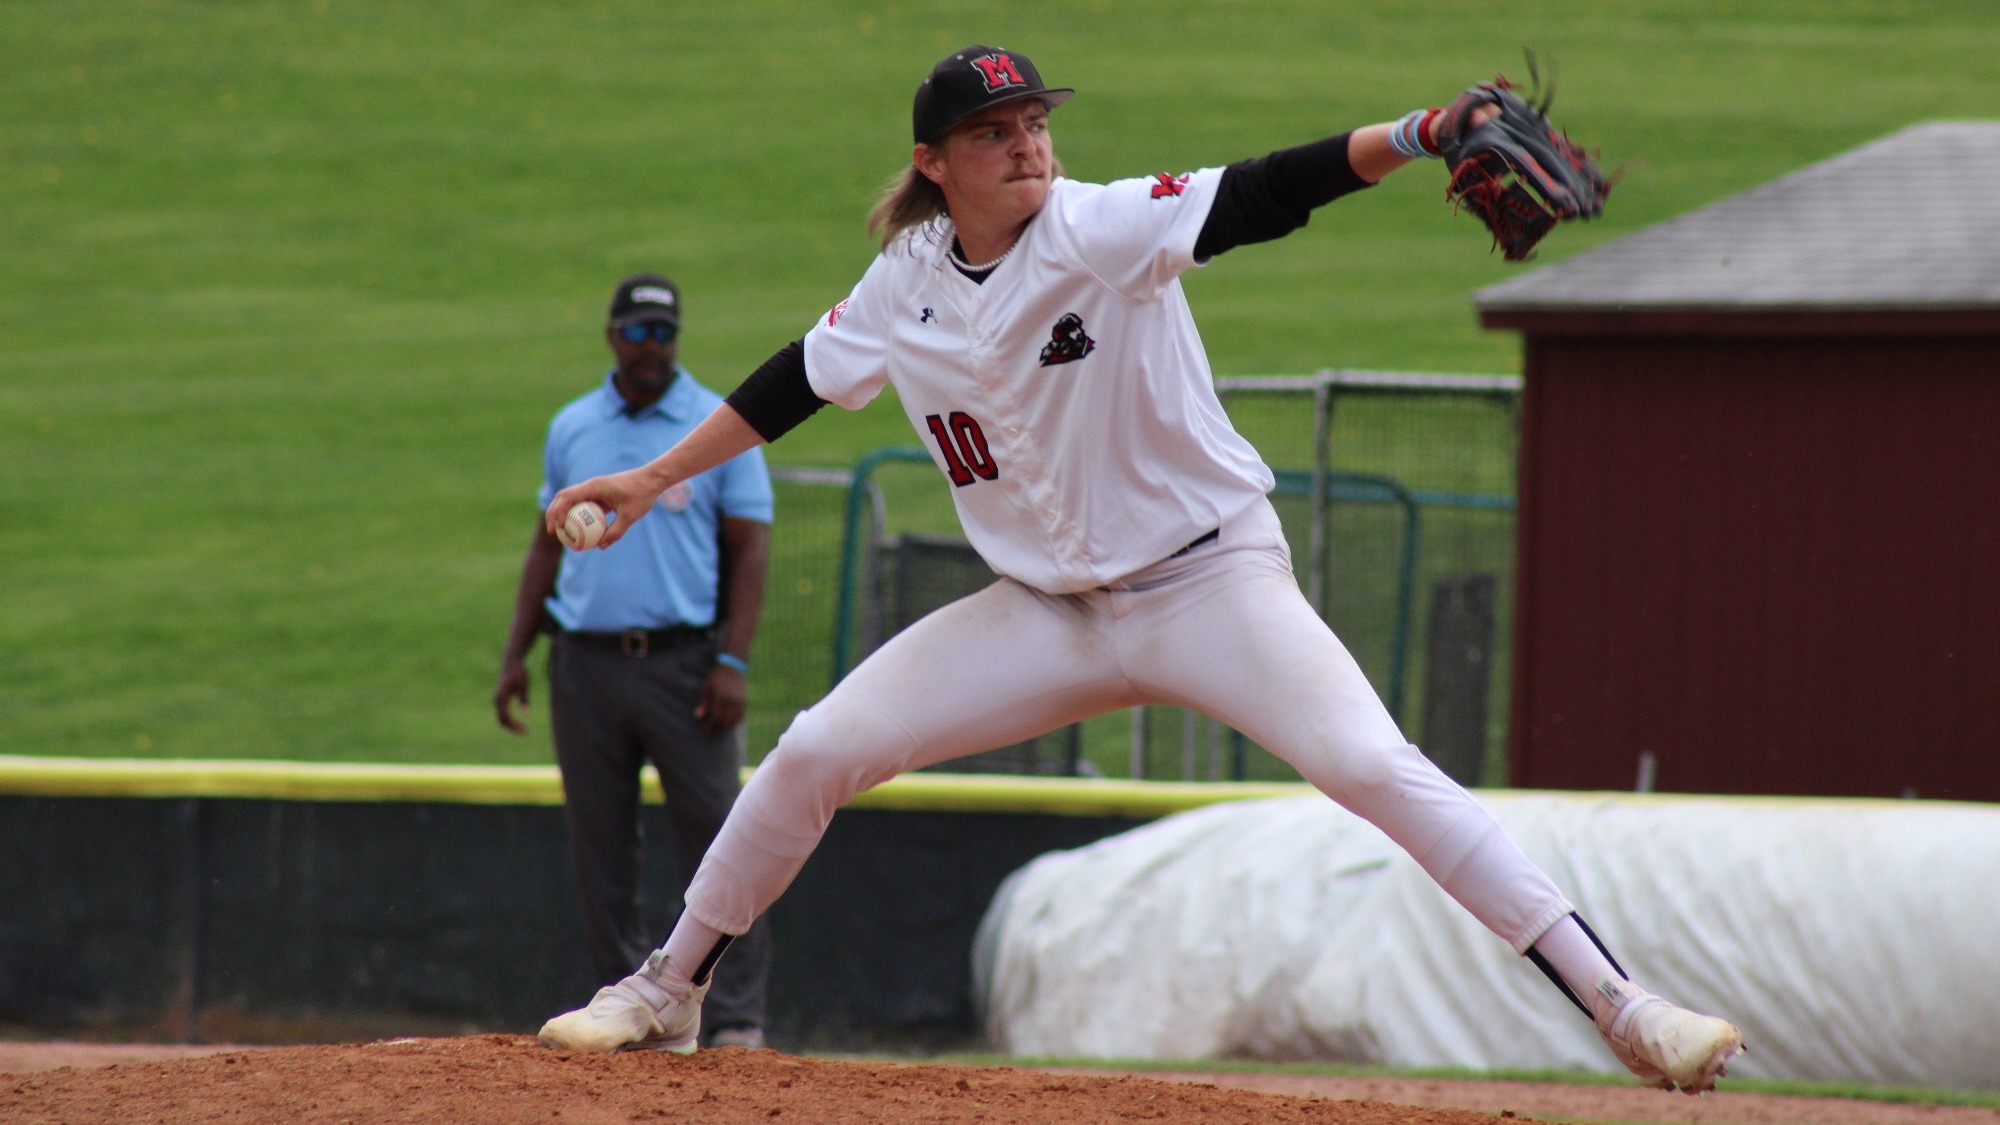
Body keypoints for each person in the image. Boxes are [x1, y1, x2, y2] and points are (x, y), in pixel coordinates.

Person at [535, 48, 1746, 1093]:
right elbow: (796, 379)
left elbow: (1263, 193)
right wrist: (652, 480)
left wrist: (1423, 134)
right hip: (1044, 615)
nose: (1025, 143)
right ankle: (666, 990)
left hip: (1209, 586)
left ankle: (1625, 1009)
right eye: (992, 131)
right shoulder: (904, 278)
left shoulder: (1097, 223)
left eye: (1034, 122)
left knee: (1371, 767)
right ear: (934, 160)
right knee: (811, 752)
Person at [495, 272, 775, 1050]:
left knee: (725, 841)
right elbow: (543, 543)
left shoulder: (719, 425)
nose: (652, 347)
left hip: (685, 665)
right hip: (583, 665)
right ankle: (627, 1014)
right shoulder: (573, 427)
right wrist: (516, 653)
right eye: (638, 332)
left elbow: (750, 548)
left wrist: (734, 663)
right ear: (613, 335)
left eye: (665, 333)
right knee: (601, 848)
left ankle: (735, 1018)